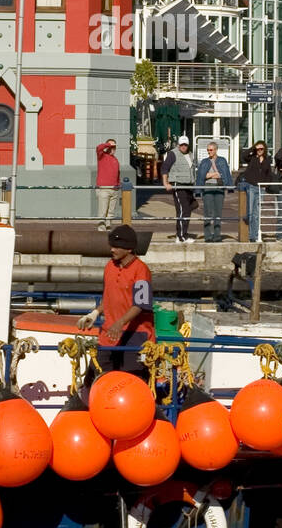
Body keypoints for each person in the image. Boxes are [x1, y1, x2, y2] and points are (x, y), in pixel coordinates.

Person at [77, 224, 153, 372]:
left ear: (129, 248)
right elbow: (108, 297)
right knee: (94, 375)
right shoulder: (109, 267)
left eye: (117, 246)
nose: (112, 249)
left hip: (135, 336)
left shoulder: (141, 271)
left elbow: (140, 304)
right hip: (108, 334)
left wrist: (120, 323)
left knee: (130, 379)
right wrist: (95, 313)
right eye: (112, 245)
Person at [162, 136, 197, 244]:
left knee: (193, 205)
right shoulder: (173, 154)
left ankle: (182, 232)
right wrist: (166, 183)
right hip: (178, 185)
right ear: (178, 145)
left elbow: (193, 169)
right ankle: (181, 236)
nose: (183, 147)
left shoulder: (191, 154)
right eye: (181, 144)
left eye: (185, 145)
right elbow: (164, 168)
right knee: (183, 209)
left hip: (189, 186)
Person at [196, 141, 233, 243]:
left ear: (216, 150)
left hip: (219, 187)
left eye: (211, 150)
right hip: (207, 187)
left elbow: (224, 174)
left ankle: (217, 236)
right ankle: (208, 236)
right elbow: (202, 176)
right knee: (207, 212)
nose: (209, 152)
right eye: (208, 150)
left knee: (218, 213)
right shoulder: (204, 161)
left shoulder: (222, 160)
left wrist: (211, 175)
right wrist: (214, 174)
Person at [240, 140, 274, 243]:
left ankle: (253, 236)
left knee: (256, 213)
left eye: (261, 149)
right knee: (250, 212)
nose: (259, 151)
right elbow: (243, 156)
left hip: (260, 188)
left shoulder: (267, 160)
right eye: (258, 149)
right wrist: (252, 148)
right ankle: (252, 235)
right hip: (251, 186)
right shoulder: (252, 158)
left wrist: (266, 185)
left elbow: (269, 174)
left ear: (264, 149)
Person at [95, 138, 121, 231]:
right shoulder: (102, 156)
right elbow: (98, 148)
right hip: (104, 188)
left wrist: (118, 185)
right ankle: (101, 228)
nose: (113, 149)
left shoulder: (115, 160)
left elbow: (117, 174)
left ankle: (108, 226)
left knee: (111, 212)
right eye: (111, 147)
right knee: (102, 211)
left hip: (114, 189)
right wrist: (108, 144)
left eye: (114, 147)